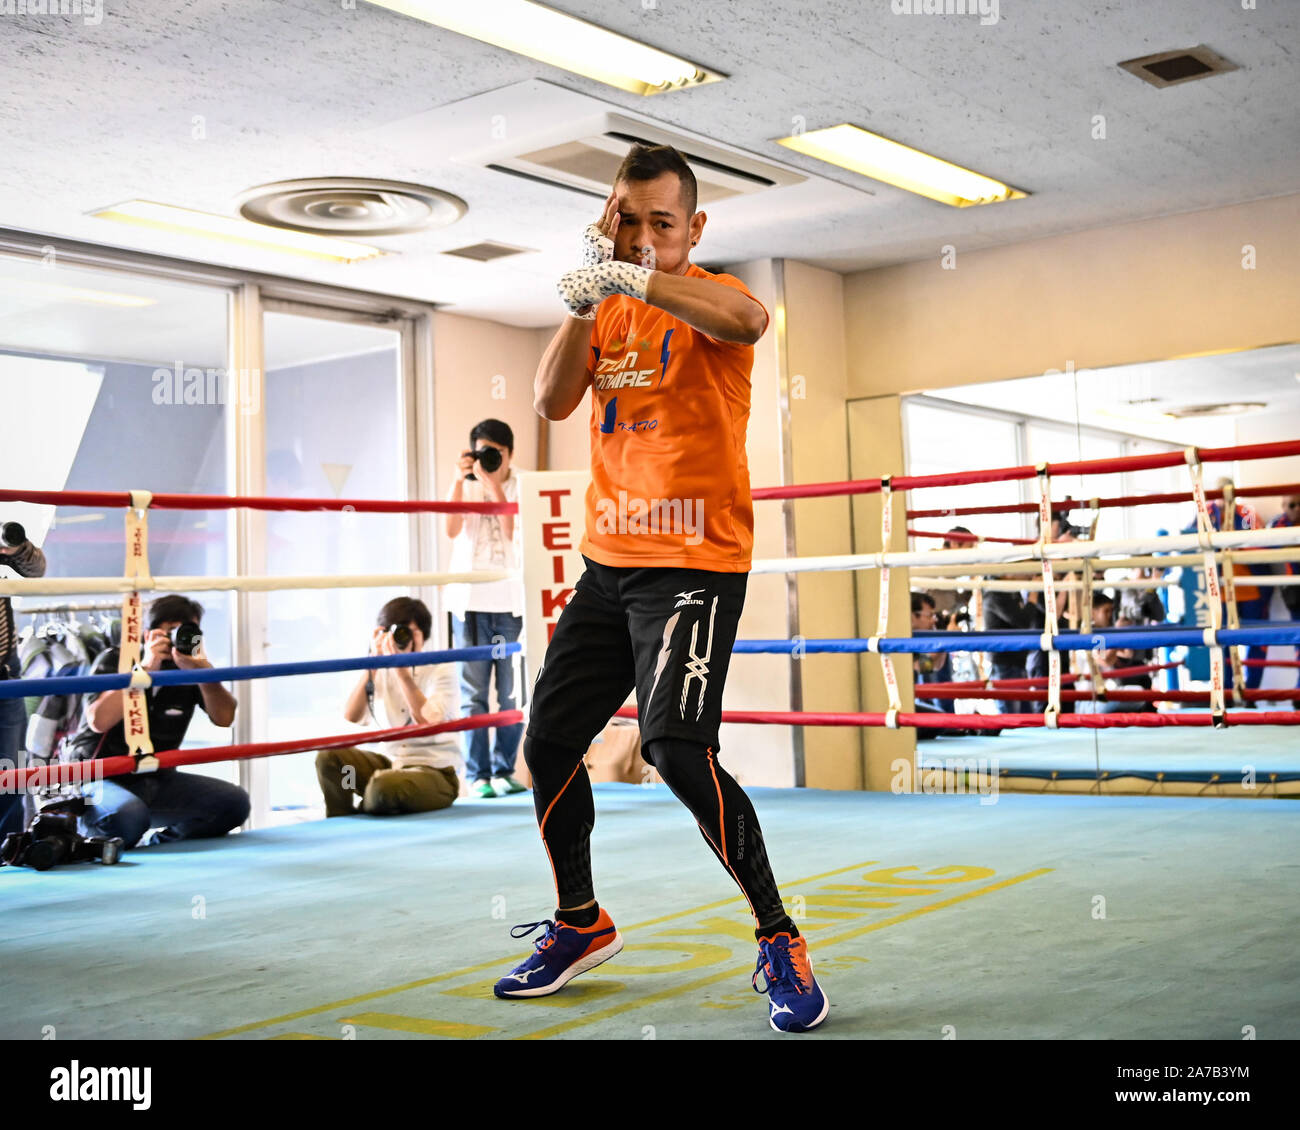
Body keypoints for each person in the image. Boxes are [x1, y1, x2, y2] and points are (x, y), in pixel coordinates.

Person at [498, 143, 827, 1032]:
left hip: (694, 565)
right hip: (609, 564)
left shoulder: (716, 300)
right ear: (608, 216)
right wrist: (585, 297)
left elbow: (748, 323)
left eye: (661, 223)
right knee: (550, 739)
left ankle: (778, 935)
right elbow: (551, 399)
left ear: (695, 228)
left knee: (676, 748)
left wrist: (636, 280)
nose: (642, 236)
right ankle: (580, 922)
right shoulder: (606, 305)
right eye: (626, 219)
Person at [66, 595, 248, 849]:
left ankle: (160, 847)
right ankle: (97, 836)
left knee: (234, 803)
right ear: (147, 635)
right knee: (127, 816)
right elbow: (99, 721)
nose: (178, 637)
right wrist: (145, 669)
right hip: (100, 776)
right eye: (169, 631)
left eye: (186, 630)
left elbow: (224, 718)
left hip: (158, 777)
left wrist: (205, 674)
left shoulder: (191, 671)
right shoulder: (116, 659)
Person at [316, 597, 462, 816]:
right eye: (396, 633)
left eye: (409, 632)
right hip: (388, 765)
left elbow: (428, 721)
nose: (400, 640)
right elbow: (352, 716)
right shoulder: (379, 669)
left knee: (382, 787)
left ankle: (370, 805)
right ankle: (342, 820)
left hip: (434, 772)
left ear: (423, 635)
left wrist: (403, 674)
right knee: (330, 758)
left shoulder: (441, 668)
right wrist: (373, 662)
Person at [443, 419, 527, 799]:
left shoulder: (523, 485)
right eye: (483, 453)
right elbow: (450, 529)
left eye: (496, 454)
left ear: (510, 454)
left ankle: (505, 770)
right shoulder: (464, 484)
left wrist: (493, 486)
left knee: (512, 692)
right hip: (470, 603)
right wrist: (461, 480)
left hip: (510, 602)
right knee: (473, 692)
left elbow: (516, 534)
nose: (490, 460)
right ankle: (477, 775)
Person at [0, 521, 47, 836]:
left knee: (11, 772)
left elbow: (36, 570)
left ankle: (7, 849)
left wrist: (14, 545)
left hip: (6, 670)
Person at [982, 581, 1045, 713]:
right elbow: (1023, 620)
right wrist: (1033, 597)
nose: (1027, 574)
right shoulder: (996, 594)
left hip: (1017, 660)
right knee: (1010, 713)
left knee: (1023, 714)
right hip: (1005, 662)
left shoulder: (1012, 591)